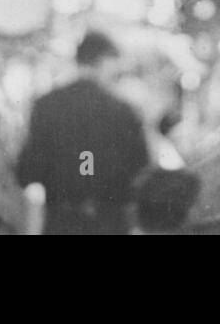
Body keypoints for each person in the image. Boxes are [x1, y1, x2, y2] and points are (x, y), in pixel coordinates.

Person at [16, 30, 150, 235]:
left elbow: (27, 171)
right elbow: (140, 166)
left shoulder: (46, 105)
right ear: (104, 61)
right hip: (109, 223)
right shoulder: (124, 111)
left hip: (61, 222)